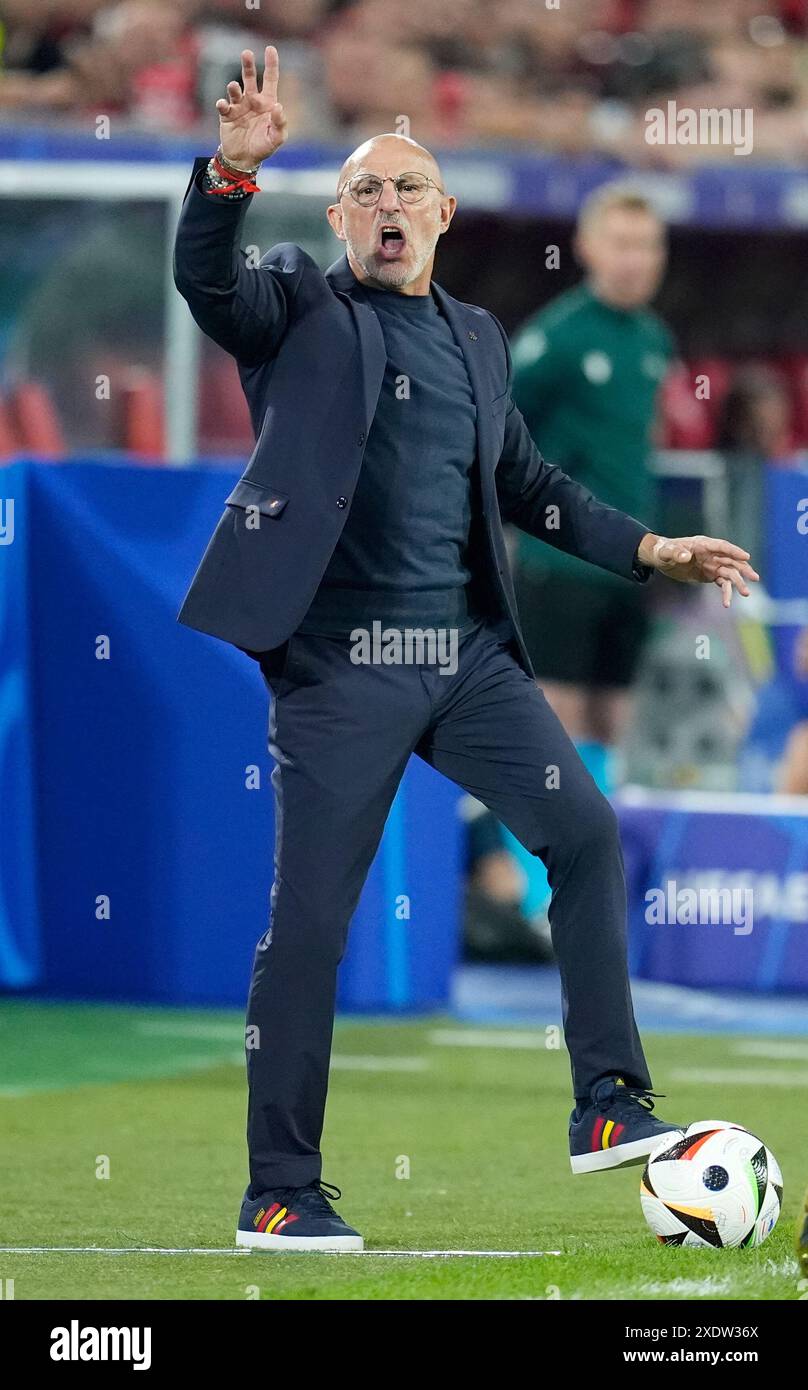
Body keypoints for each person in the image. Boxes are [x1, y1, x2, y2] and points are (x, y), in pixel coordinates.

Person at [173, 46, 760, 1252]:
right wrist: (229, 174)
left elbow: (530, 486)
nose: (388, 208)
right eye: (366, 192)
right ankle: (278, 1189)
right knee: (313, 929)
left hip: (464, 659)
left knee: (586, 835)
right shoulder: (293, 303)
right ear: (339, 217)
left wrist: (651, 548)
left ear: (443, 213)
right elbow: (209, 288)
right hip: (340, 667)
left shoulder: (482, 339)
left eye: (409, 189)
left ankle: (605, 1104)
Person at [510, 184, 674, 756]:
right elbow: (500, 432)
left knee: (618, 726)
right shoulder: (555, 339)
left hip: (630, 561)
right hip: (559, 562)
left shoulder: (654, 339)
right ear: (587, 247)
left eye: (648, 245)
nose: (636, 259)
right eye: (622, 243)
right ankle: (536, 849)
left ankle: (607, 846)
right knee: (559, 725)